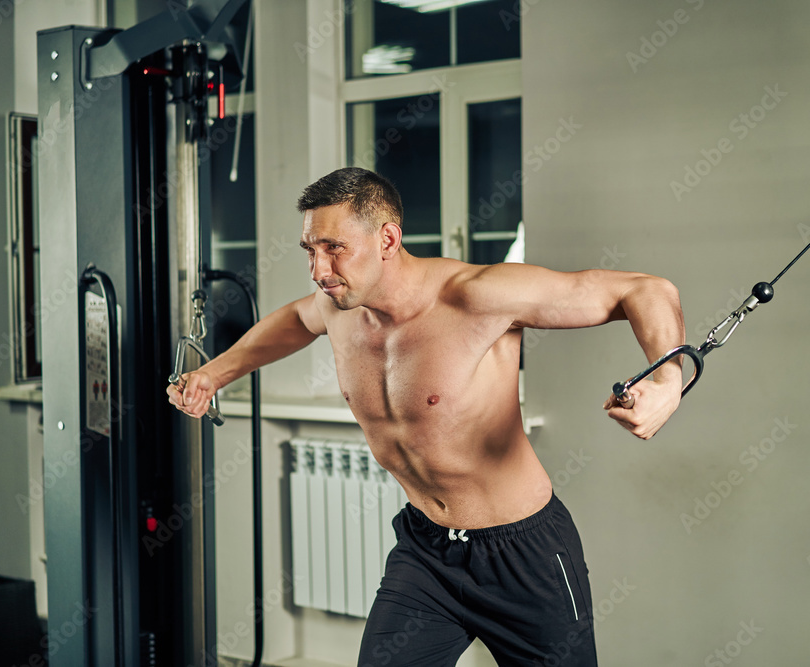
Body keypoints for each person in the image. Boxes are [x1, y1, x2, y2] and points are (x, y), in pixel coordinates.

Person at [168, 167, 685, 665]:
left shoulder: (477, 296)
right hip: (428, 550)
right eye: (311, 250)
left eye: (334, 249)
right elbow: (293, 322)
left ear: (388, 241)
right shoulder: (337, 308)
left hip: (524, 555)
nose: (319, 271)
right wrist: (215, 373)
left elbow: (646, 290)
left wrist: (668, 381)